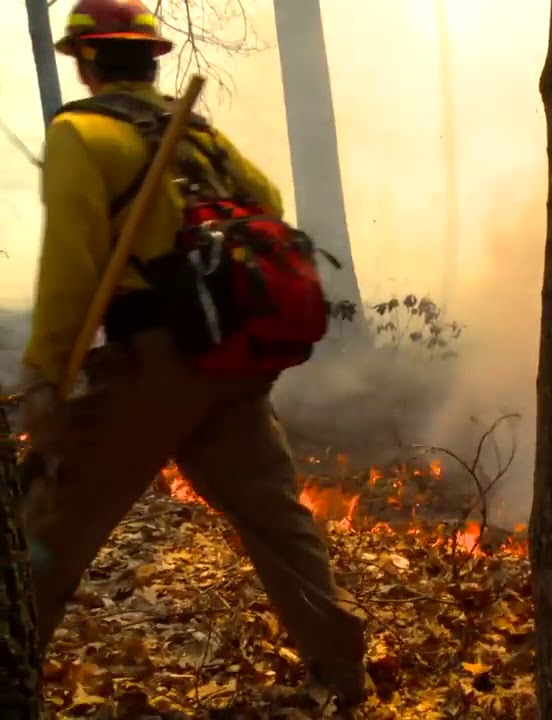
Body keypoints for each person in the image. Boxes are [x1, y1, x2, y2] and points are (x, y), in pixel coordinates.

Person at [17, 0, 368, 707]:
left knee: (54, 517)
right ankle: (339, 666)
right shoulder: (196, 132)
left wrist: (43, 379)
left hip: (154, 364)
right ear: (149, 60)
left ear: (86, 63)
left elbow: (69, 271)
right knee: (274, 518)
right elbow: (266, 201)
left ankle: (9, 669)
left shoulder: (82, 134)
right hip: (229, 361)